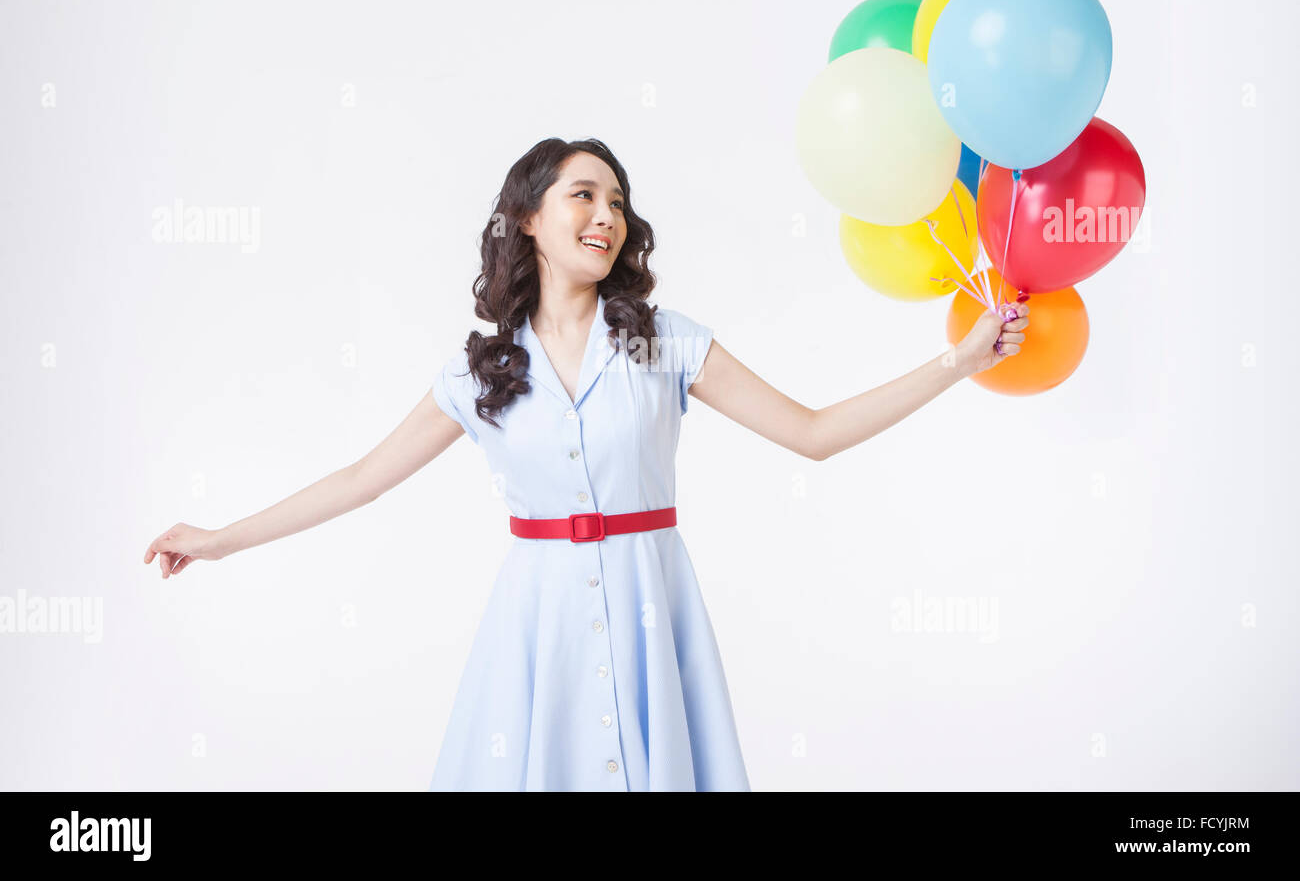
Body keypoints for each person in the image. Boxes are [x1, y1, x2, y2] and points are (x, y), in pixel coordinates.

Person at [143, 137, 1029, 791]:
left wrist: (960, 361)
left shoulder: (666, 345)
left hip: (654, 612)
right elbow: (358, 481)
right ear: (528, 218)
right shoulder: (479, 371)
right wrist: (220, 540)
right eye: (582, 196)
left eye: (617, 201)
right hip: (538, 635)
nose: (606, 215)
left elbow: (815, 431)